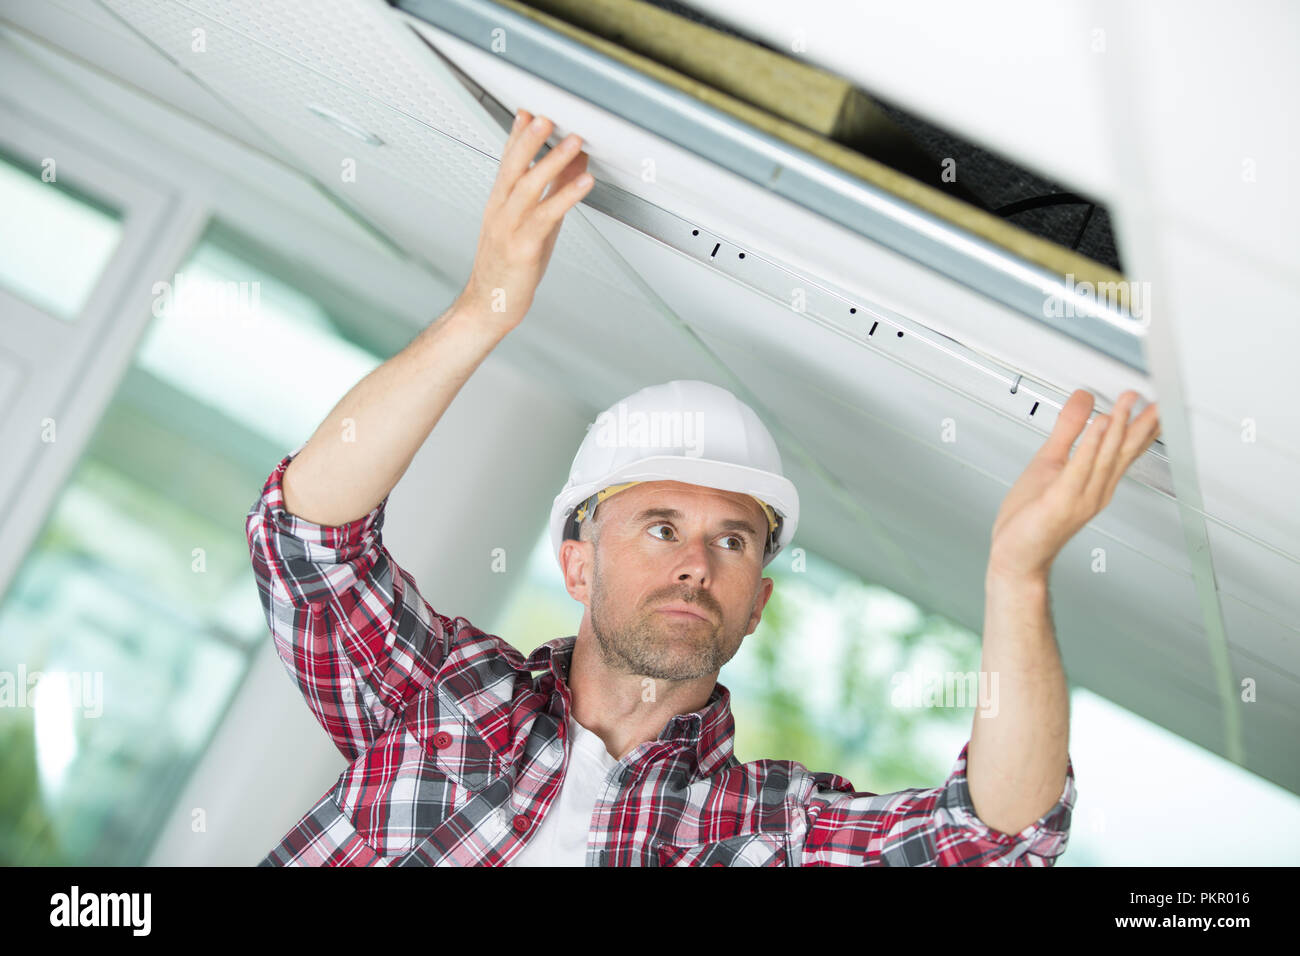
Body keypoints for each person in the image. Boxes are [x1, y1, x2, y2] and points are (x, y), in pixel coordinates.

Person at [246, 109, 1161, 866]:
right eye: (658, 526)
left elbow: (994, 841)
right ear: (576, 562)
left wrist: (1018, 574)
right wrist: (485, 307)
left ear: (756, 603)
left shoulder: (767, 832)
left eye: (732, 540)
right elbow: (307, 537)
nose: (696, 564)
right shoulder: (441, 701)